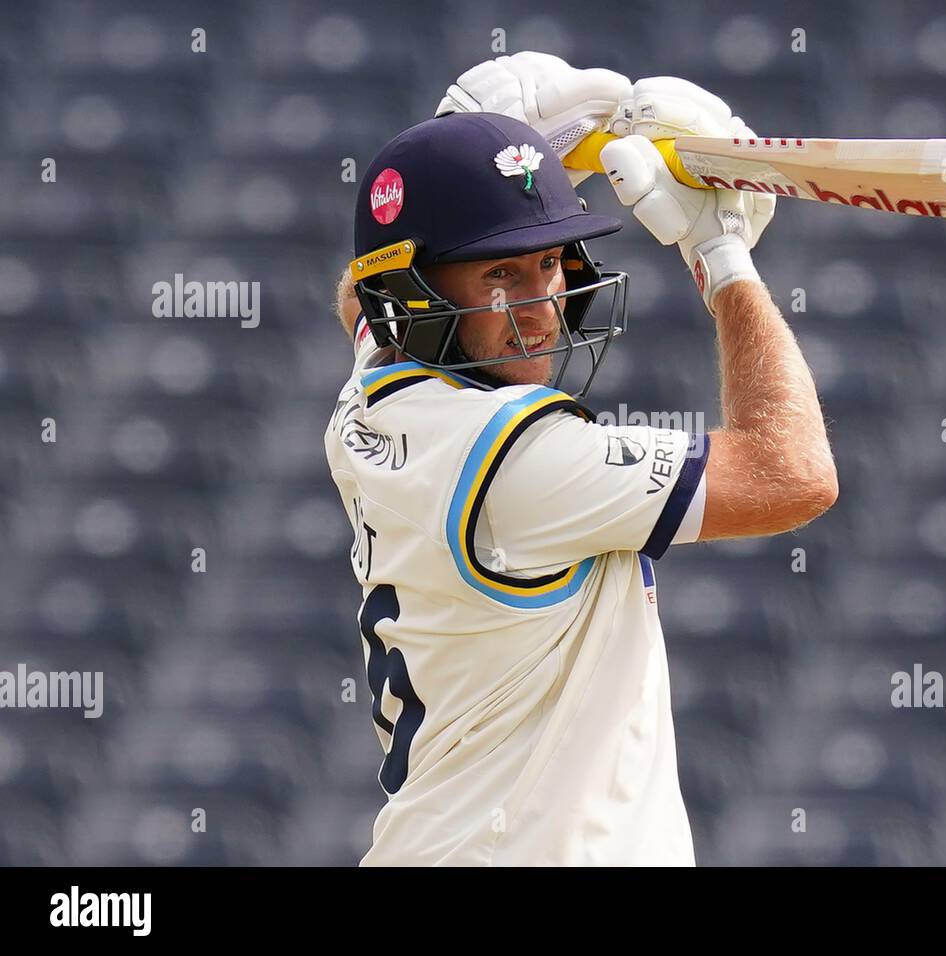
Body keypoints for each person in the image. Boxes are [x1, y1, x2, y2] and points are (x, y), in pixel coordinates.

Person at [324, 53, 837, 865]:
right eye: (500, 273)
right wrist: (724, 257)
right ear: (418, 293)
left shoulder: (370, 395)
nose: (539, 308)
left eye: (550, 262)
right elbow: (793, 474)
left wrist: (472, 152)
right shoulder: (521, 458)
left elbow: (362, 293)